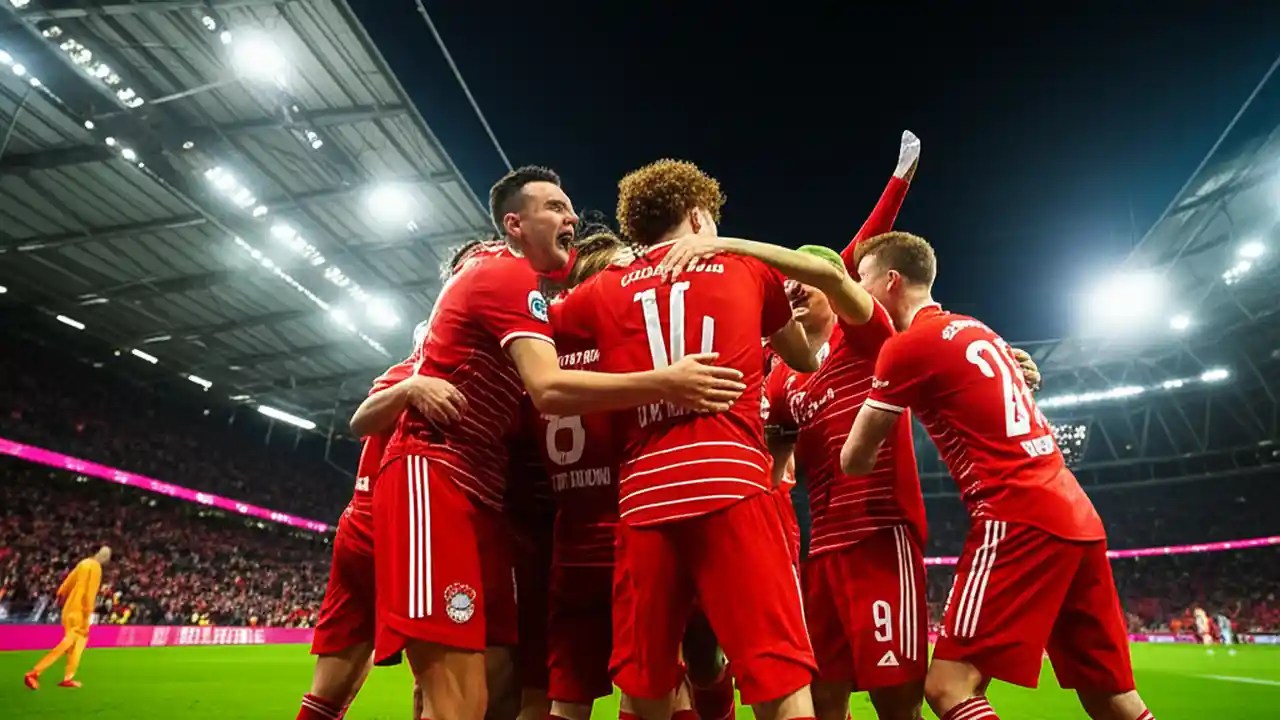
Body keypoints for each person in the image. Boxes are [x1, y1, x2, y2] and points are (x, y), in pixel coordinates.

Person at [373, 165, 749, 720]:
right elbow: (548, 391)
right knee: (468, 696)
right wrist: (671, 380)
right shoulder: (505, 279)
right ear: (515, 224)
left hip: (518, 521)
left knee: (499, 692)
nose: (571, 216)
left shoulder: (540, 313)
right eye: (555, 207)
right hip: (443, 479)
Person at [839, 231, 1155, 720]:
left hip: (1014, 515)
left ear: (890, 281)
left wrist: (876, 396)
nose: (858, 291)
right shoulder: (980, 332)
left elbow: (854, 459)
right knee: (1109, 694)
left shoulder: (905, 349)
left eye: (862, 279)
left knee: (948, 686)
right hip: (1074, 512)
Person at [550, 159, 821, 720]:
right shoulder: (745, 266)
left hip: (645, 499)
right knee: (778, 676)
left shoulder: (601, 287)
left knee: (646, 682)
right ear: (700, 215)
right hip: (733, 485)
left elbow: (535, 327)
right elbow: (802, 358)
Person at [297, 319, 466, 720]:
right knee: (436, 680)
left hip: (366, 526)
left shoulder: (411, 375)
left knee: (337, 688)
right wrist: (410, 388)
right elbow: (359, 421)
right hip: (399, 531)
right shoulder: (412, 374)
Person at [24, 545, 111, 690]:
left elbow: (66, 584)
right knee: (70, 642)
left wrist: (61, 596)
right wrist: (88, 613)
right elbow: (89, 593)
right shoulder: (96, 568)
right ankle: (35, 672)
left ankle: (68, 677)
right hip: (80, 611)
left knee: (79, 642)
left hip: (69, 609)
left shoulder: (83, 563)